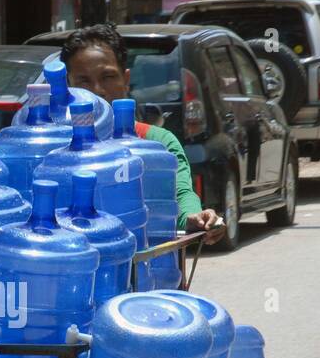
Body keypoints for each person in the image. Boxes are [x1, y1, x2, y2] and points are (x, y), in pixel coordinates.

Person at [59, 24, 223, 242]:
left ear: (125, 79)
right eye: (83, 81)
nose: (97, 90)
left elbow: (180, 192)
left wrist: (194, 217)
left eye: (107, 77)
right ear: (67, 84)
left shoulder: (157, 141)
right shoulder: (57, 144)